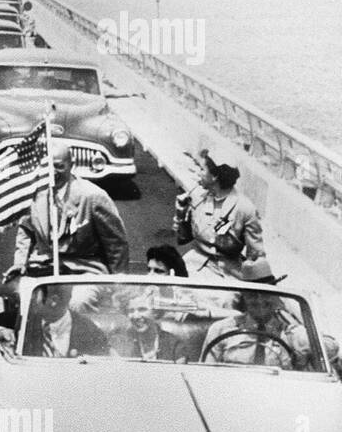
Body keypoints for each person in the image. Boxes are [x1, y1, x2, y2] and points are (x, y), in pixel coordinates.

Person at [12, 142, 130, 276]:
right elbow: (26, 230)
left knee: (81, 298)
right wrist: (20, 263)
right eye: (47, 167)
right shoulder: (34, 195)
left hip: (84, 270)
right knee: (13, 295)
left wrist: (118, 284)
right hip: (43, 267)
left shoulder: (93, 196)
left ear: (71, 165)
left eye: (59, 166)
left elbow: (115, 244)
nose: (53, 172)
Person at [174, 150, 265, 280]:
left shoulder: (245, 208)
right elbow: (183, 239)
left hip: (228, 274)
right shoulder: (197, 197)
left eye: (202, 169)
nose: (198, 173)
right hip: (193, 265)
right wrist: (181, 214)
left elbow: (255, 253)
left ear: (215, 176)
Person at [21, 283, 108, 357]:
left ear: (53, 300)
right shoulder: (25, 324)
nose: (31, 298)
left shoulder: (90, 332)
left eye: (35, 294)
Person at [109, 287, 189, 361]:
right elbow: (117, 373)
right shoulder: (118, 343)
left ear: (156, 312)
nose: (136, 316)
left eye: (142, 309)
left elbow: (180, 374)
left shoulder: (175, 345)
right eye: (131, 310)